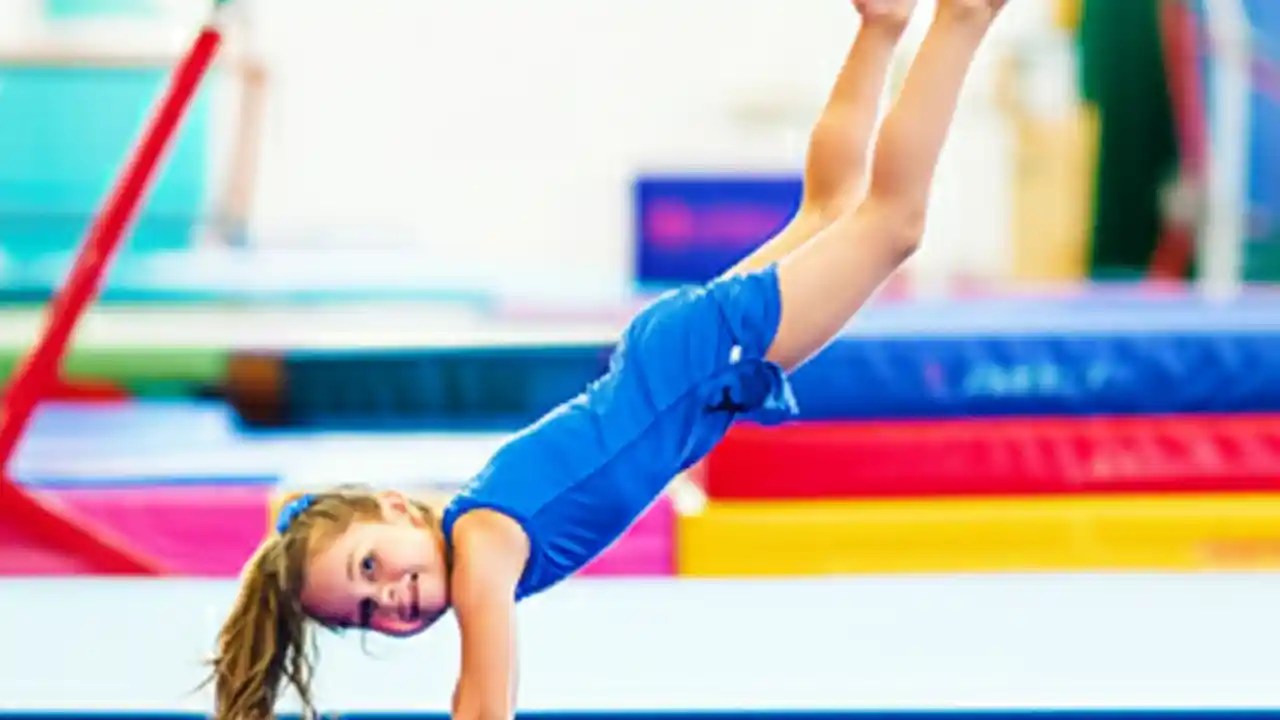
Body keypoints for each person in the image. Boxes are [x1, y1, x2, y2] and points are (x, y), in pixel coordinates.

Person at [209, 1, 1007, 717]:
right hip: (672, 361)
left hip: (694, 365)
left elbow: (482, 705)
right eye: (364, 614)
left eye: (371, 567)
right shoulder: (473, 532)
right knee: (830, 213)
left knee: (892, 224)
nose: (392, 598)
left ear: (393, 508)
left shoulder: (482, 547)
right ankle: (881, 27)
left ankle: (961, 18)